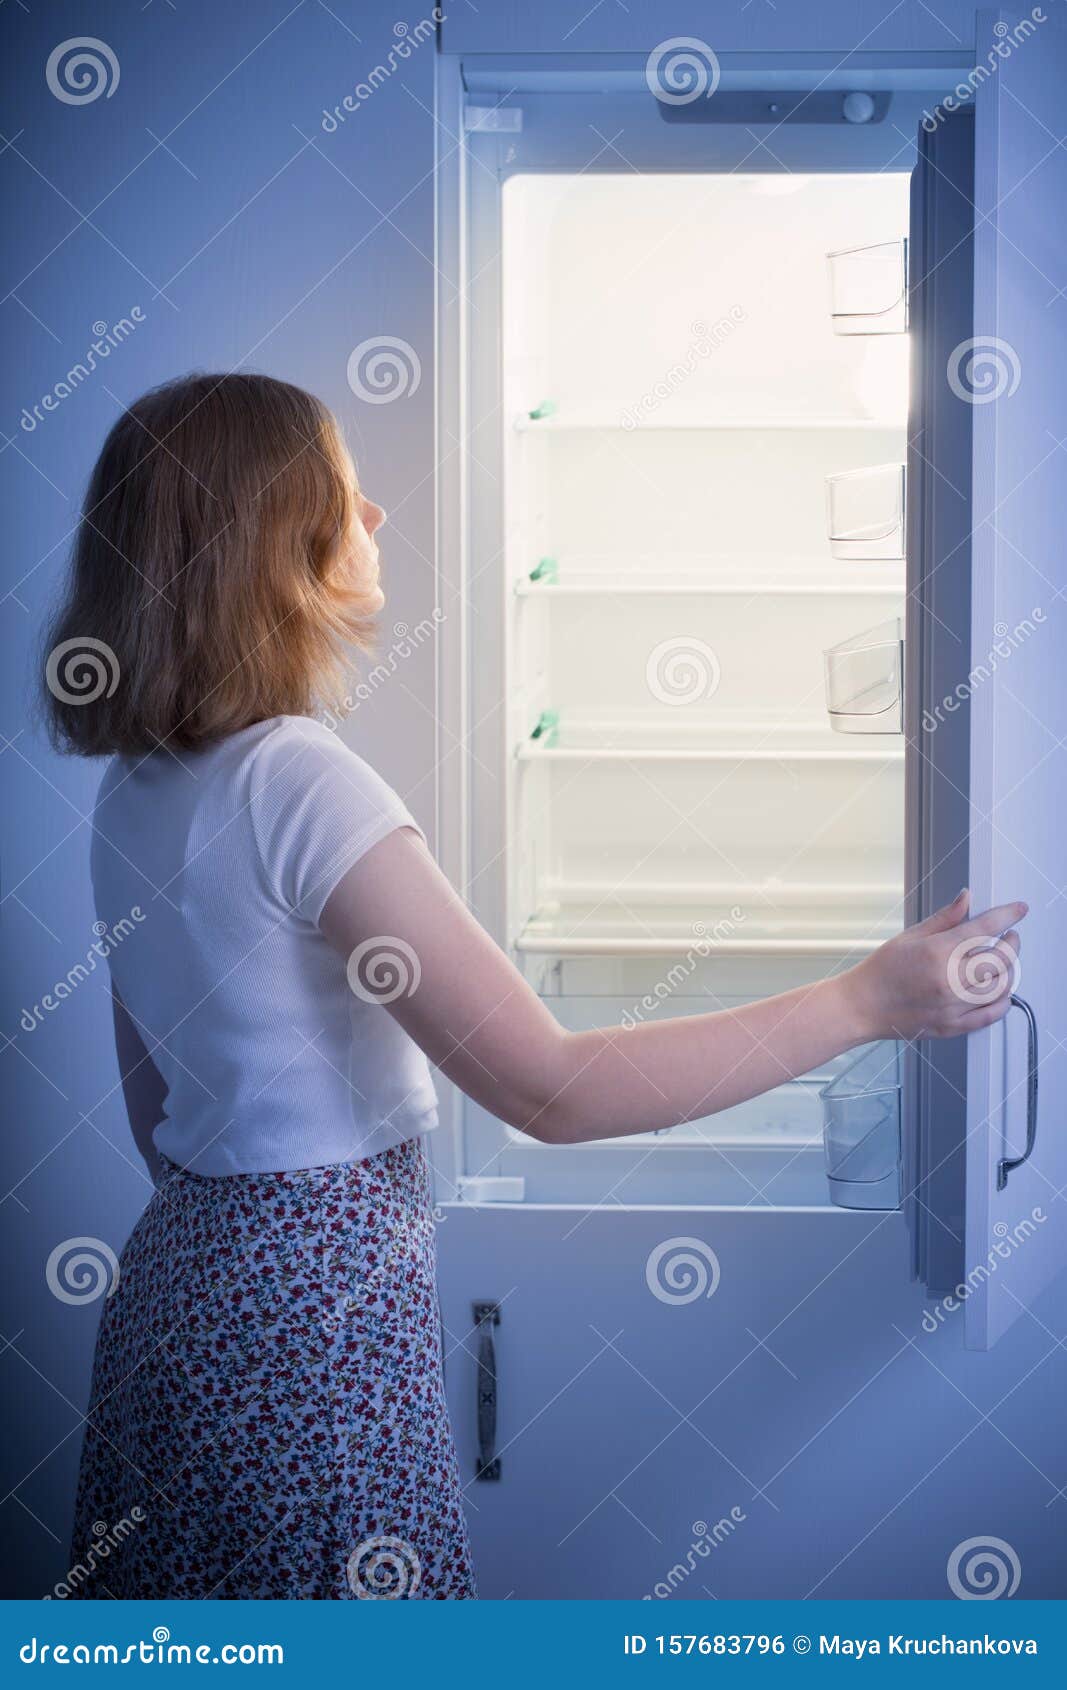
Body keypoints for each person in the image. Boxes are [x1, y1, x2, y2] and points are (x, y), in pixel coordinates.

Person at [45, 373, 1024, 1600]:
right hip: (312, 1344)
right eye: (348, 495)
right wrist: (867, 1001)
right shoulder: (296, 780)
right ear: (278, 544)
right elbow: (548, 1090)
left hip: (175, 1311)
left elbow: (158, 1119)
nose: (377, 516)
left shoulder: (133, 792)